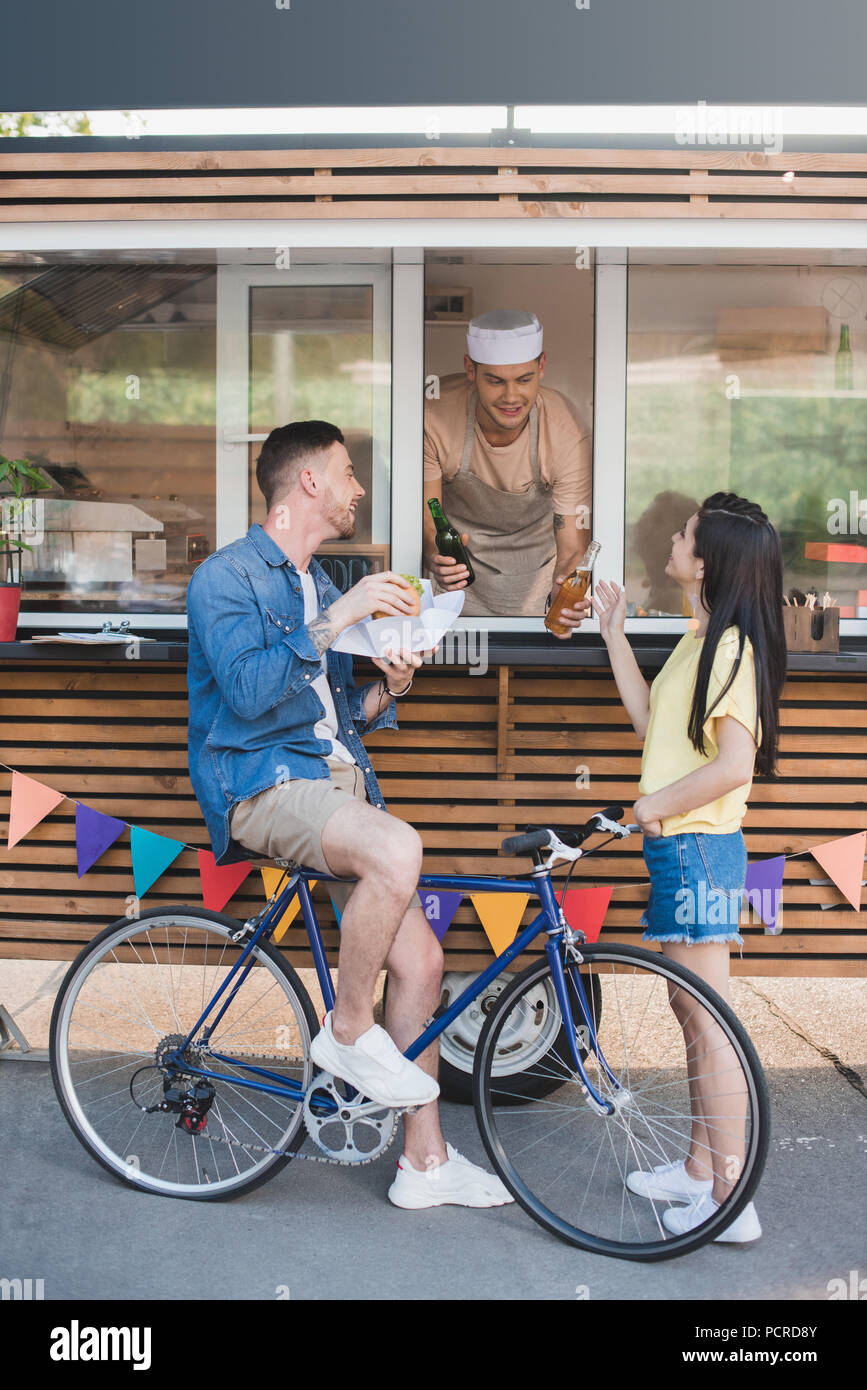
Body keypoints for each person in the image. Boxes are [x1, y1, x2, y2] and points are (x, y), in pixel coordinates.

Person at [186, 419, 513, 1211]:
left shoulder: (317, 582)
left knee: (426, 965)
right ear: (306, 483)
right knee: (399, 851)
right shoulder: (226, 578)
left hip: (333, 784)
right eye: (347, 472)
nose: (358, 488)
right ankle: (347, 1029)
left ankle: (424, 1165)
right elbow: (252, 695)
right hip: (261, 785)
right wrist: (341, 617)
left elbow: (337, 712)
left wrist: (393, 683)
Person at [591, 492, 786, 1242]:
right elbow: (654, 732)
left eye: (683, 535)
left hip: (699, 847)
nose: (671, 540)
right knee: (692, 1013)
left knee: (711, 1027)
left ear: (706, 562)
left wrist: (652, 805)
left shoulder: (730, 650)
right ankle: (700, 1169)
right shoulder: (698, 636)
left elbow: (735, 766)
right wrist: (612, 636)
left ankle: (728, 1201)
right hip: (682, 847)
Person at [423, 309, 592, 622]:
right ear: (470, 370)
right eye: (496, 381)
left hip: (536, 583)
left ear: (542, 367)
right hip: (454, 586)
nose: (511, 397)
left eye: (524, 379)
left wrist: (565, 592)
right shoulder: (433, 416)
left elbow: (571, 547)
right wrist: (436, 556)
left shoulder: (567, 432)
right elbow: (427, 517)